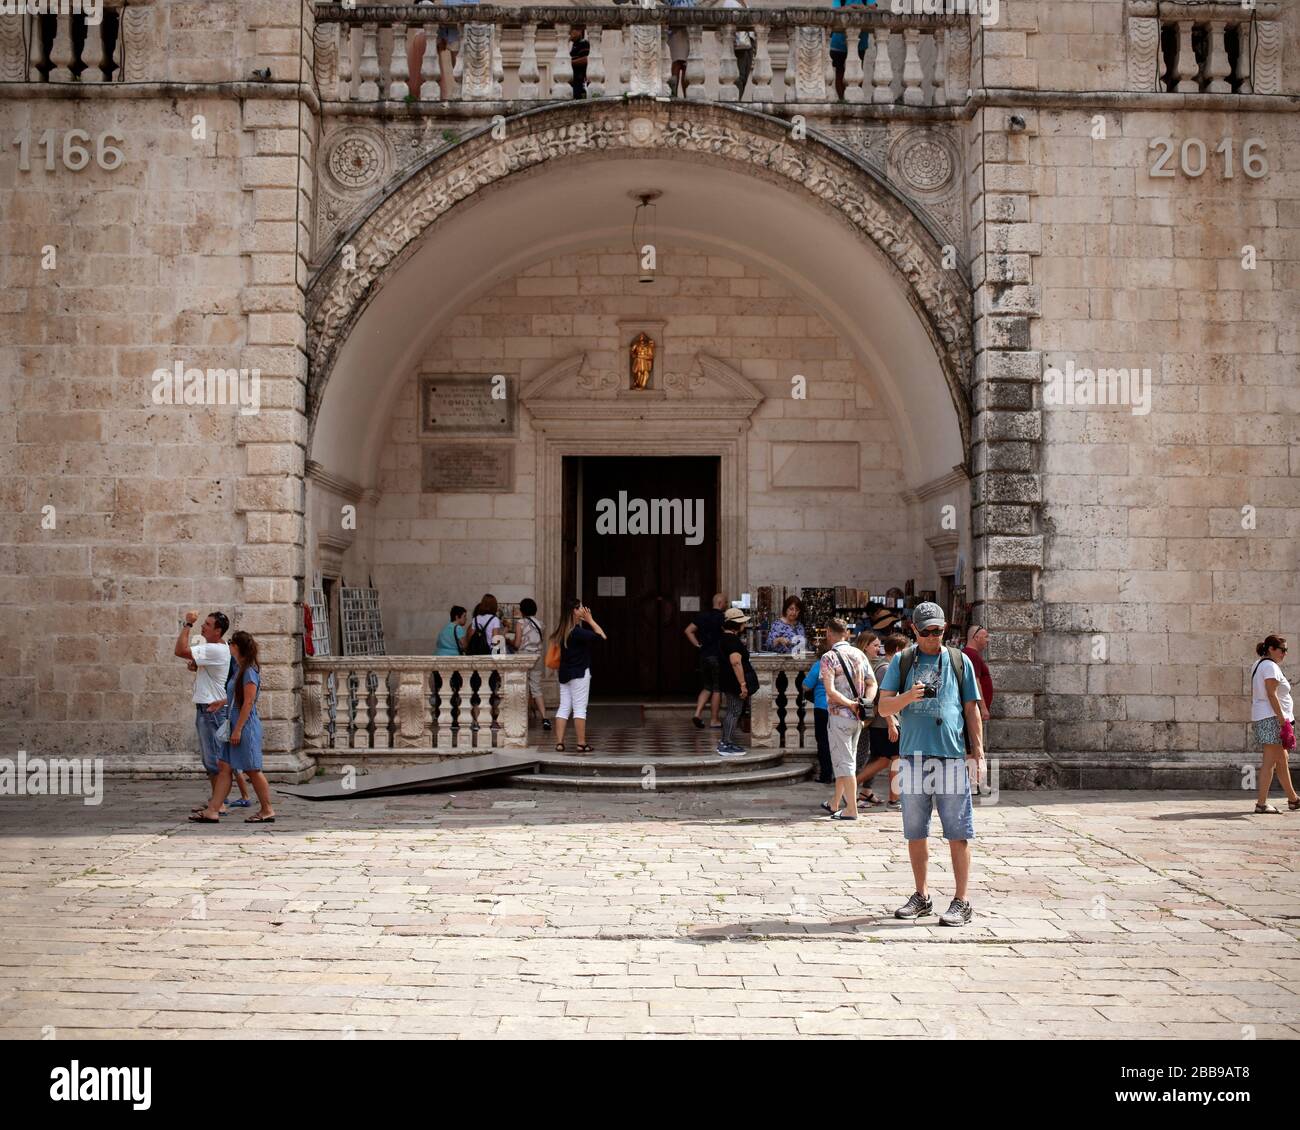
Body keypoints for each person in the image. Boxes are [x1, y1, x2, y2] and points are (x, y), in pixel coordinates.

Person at [877, 601, 984, 927]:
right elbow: (883, 707)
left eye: (939, 631)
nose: (934, 637)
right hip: (913, 757)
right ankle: (921, 895)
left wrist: (978, 751)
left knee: (958, 830)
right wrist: (909, 697)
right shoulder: (903, 660)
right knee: (916, 831)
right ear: (914, 630)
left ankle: (961, 900)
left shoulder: (959, 660)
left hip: (951, 756)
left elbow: (971, 708)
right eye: (927, 632)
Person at [191, 632, 277, 824]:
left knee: (252, 769)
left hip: (245, 727)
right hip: (235, 725)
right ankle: (213, 810)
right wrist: (222, 703)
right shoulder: (239, 669)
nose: (228, 646)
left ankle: (267, 809)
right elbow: (237, 698)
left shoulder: (249, 671)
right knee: (224, 767)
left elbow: (248, 703)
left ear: (237, 646)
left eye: (231, 643)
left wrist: (238, 730)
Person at [173, 609, 250, 816]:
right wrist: (196, 666)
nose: (202, 626)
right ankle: (217, 801)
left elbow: (180, 650)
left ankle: (219, 804)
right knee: (211, 760)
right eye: (202, 623)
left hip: (212, 710)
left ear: (218, 631)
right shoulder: (216, 648)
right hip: (208, 708)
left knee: (216, 760)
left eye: (207, 624)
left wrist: (187, 624)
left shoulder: (215, 649)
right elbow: (198, 663)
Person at [820, 618, 875, 820]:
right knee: (846, 760)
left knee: (845, 764)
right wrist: (864, 702)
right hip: (857, 718)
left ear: (829, 633)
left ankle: (851, 809)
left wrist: (850, 704)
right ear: (847, 634)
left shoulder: (828, 657)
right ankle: (835, 802)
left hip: (840, 715)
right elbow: (872, 683)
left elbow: (830, 691)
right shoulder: (859, 654)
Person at [856, 632, 905, 808]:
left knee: (886, 759)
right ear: (899, 650)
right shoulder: (885, 669)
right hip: (884, 724)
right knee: (893, 759)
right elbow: (883, 699)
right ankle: (894, 799)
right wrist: (892, 723)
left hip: (883, 723)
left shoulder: (885, 667)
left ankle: (860, 789)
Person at [1250, 635, 1298, 814]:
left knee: (1282, 759)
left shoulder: (1259, 664)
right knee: (1270, 761)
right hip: (1272, 718)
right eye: (1282, 649)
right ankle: (1261, 804)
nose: (1285, 653)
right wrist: (1282, 720)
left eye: (1286, 650)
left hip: (1267, 717)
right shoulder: (1270, 666)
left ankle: (1293, 799)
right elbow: (1272, 694)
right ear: (1271, 648)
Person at [551, 600, 606, 753]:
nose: (583, 609)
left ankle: (559, 743)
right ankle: (581, 743)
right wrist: (590, 620)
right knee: (580, 709)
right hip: (580, 673)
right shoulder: (577, 632)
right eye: (580, 607)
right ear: (574, 611)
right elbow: (602, 637)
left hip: (565, 673)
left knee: (564, 707)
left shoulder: (562, 631)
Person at [718, 607, 758, 757]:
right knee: (734, 711)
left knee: (732, 710)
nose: (744, 625)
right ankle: (725, 743)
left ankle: (726, 741)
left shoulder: (724, 638)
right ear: (736, 625)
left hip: (728, 680)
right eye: (741, 622)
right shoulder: (732, 641)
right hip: (734, 682)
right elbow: (736, 662)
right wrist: (742, 684)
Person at [685, 592, 727, 730]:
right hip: (716, 656)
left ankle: (697, 714)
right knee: (716, 688)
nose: (726, 605)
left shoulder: (702, 616)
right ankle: (714, 720)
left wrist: (697, 645)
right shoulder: (722, 617)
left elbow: (688, 631)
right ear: (720, 603)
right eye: (725, 603)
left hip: (703, 656)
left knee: (707, 686)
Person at [513, 597, 550, 731]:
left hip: (523, 657)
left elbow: (517, 644)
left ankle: (522, 718)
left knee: (521, 686)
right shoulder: (541, 624)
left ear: (522, 610)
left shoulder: (520, 623)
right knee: (536, 688)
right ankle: (545, 718)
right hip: (537, 658)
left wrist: (509, 641)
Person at [830, 0, 874, 102]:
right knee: (840, 71)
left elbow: (873, 8)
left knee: (858, 70)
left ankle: (855, 99)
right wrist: (858, 7)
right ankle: (842, 100)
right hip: (838, 41)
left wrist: (853, 7)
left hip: (860, 41)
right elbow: (835, 10)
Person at [802, 645, 832, 784]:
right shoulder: (845, 663)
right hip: (842, 707)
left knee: (823, 741)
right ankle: (841, 775)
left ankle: (826, 774)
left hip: (822, 707)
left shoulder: (820, 664)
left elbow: (806, 685)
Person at [722, 0, 754, 99]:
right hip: (738, 43)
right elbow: (727, 22)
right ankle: (735, 100)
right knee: (739, 76)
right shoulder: (730, 2)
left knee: (744, 76)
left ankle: (738, 99)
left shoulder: (745, 4)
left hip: (748, 42)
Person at [963, 624, 993, 724]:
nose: (988, 640)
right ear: (976, 637)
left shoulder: (970, 653)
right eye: (986, 637)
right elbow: (975, 682)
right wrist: (983, 708)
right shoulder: (972, 655)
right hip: (975, 710)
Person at [667, 0, 695, 98]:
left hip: (688, 31)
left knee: (686, 66)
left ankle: (686, 96)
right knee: (678, 63)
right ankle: (674, 94)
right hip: (676, 30)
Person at [569, 25, 589, 99]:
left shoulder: (583, 43)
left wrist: (570, 63)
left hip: (580, 82)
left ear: (580, 31)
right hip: (575, 82)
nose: (570, 32)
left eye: (572, 30)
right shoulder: (575, 45)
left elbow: (586, 59)